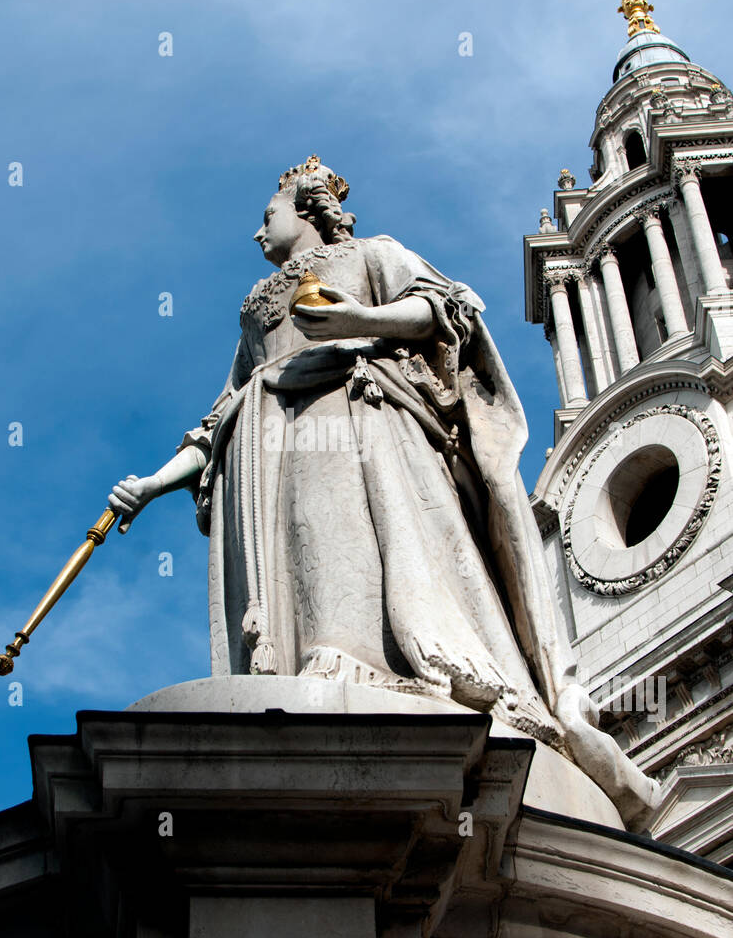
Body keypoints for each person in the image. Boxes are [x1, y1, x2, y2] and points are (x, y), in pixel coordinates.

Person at [108, 156, 659, 829]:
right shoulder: (256, 307)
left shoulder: (374, 254)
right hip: (268, 447)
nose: (258, 233)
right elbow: (220, 412)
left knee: (346, 538)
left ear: (306, 209)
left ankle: (363, 665)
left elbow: (439, 310)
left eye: (267, 215)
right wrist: (152, 485)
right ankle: (309, 670)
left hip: (354, 419)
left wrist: (355, 321)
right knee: (301, 557)